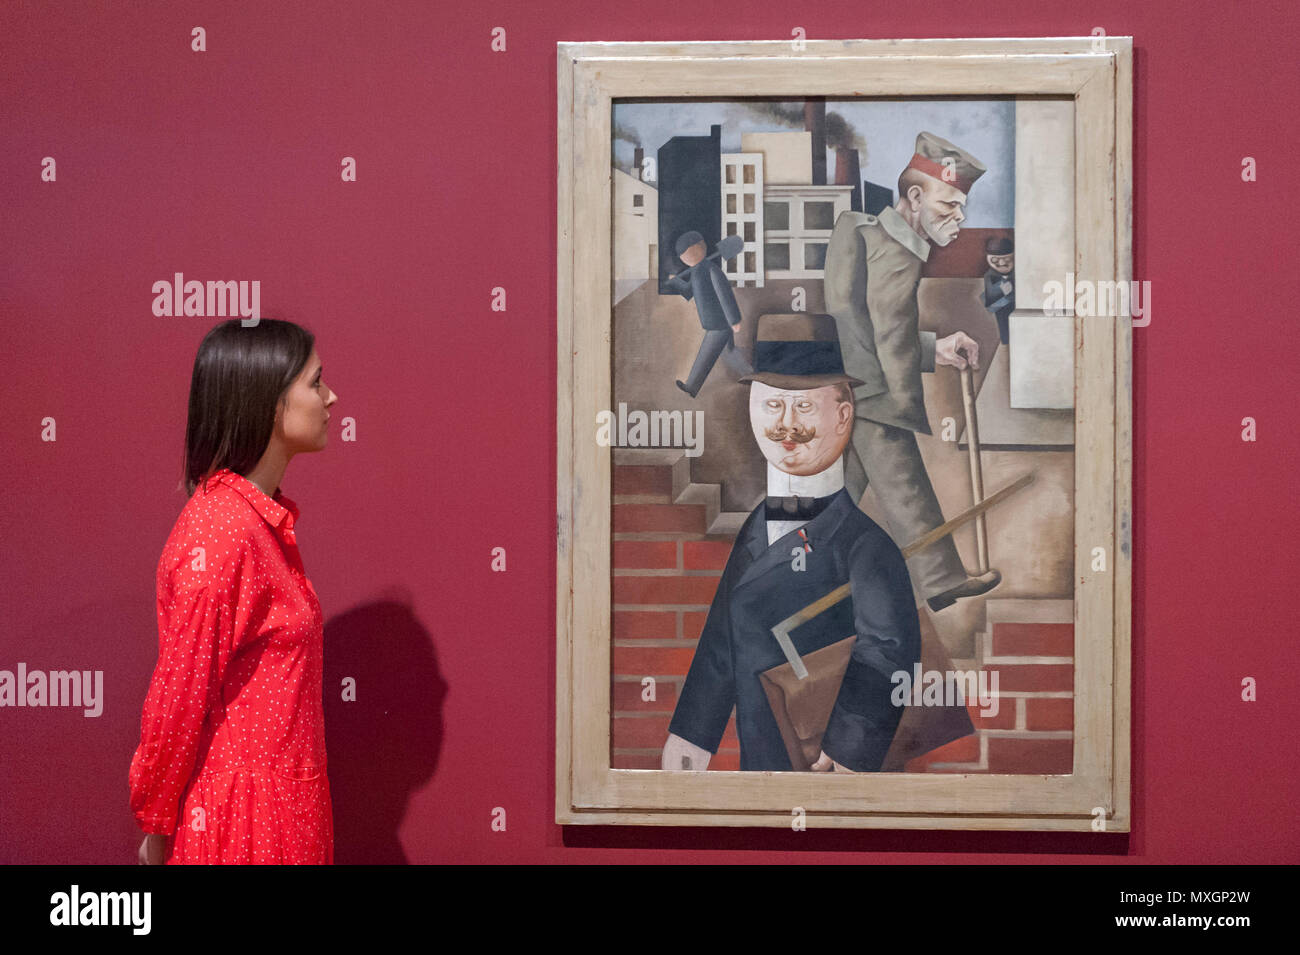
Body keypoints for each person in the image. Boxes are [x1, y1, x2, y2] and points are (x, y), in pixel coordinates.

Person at [661, 313, 922, 772]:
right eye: (773, 406)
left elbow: (890, 652)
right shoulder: (755, 529)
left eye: (803, 407)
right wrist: (692, 735)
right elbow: (724, 638)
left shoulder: (865, 546)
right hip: (758, 762)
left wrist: (849, 751)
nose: (786, 425)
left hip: (824, 768)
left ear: (844, 416)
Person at [129, 318, 338, 864]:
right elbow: (178, 700)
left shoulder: (254, 525)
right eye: (316, 383)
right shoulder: (221, 531)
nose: (331, 398)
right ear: (269, 402)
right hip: (239, 832)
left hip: (281, 820)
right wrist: (157, 826)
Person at [823, 131, 1001, 613]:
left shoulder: (881, 240)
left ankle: (795, 571)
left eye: (962, 207)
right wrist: (879, 393)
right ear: (915, 197)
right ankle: (940, 582)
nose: (958, 219)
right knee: (903, 487)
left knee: (832, 498)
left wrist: (935, 348)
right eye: (949, 206)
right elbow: (859, 319)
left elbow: (882, 327)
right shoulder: (885, 245)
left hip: (860, 389)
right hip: (872, 393)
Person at [665, 231, 745, 398]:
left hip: (719, 324)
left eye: (686, 252)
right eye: (682, 256)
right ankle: (753, 375)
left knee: (706, 356)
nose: (684, 257)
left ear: (699, 247)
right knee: (730, 353)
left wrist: (734, 319)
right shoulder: (696, 271)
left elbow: (724, 294)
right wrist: (676, 281)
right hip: (714, 323)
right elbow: (688, 292)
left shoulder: (712, 270)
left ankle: (692, 387)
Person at [983, 236, 1015, 344]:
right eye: (995, 259)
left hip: (1018, 309)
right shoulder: (990, 276)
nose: (1001, 263)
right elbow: (990, 300)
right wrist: (1004, 289)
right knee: (1005, 331)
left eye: (1006, 259)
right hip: (1002, 311)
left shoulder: (1017, 272)